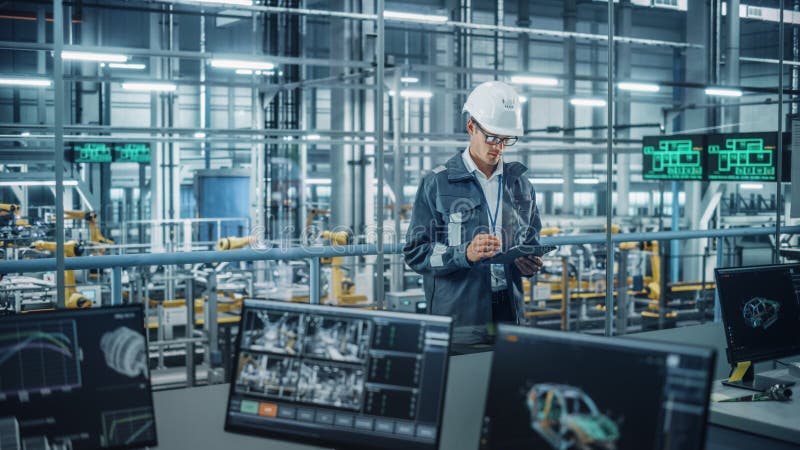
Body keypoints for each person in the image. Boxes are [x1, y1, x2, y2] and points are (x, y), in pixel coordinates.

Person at [403, 81, 543, 341]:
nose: (498, 146)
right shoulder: (438, 183)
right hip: (460, 316)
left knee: (505, 380)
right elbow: (416, 253)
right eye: (491, 137)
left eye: (506, 140)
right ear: (471, 127)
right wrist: (464, 253)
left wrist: (529, 263)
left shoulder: (521, 185)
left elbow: (531, 242)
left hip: (509, 311)